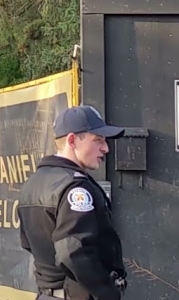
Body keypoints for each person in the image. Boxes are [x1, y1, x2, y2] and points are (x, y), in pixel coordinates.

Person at [18, 105, 128, 300]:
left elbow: (28, 243)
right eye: (98, 140)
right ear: (72, 140)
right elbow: (72, 250)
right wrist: (107, 292)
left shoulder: (33, 183)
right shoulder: (75, 188)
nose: (106, 148)